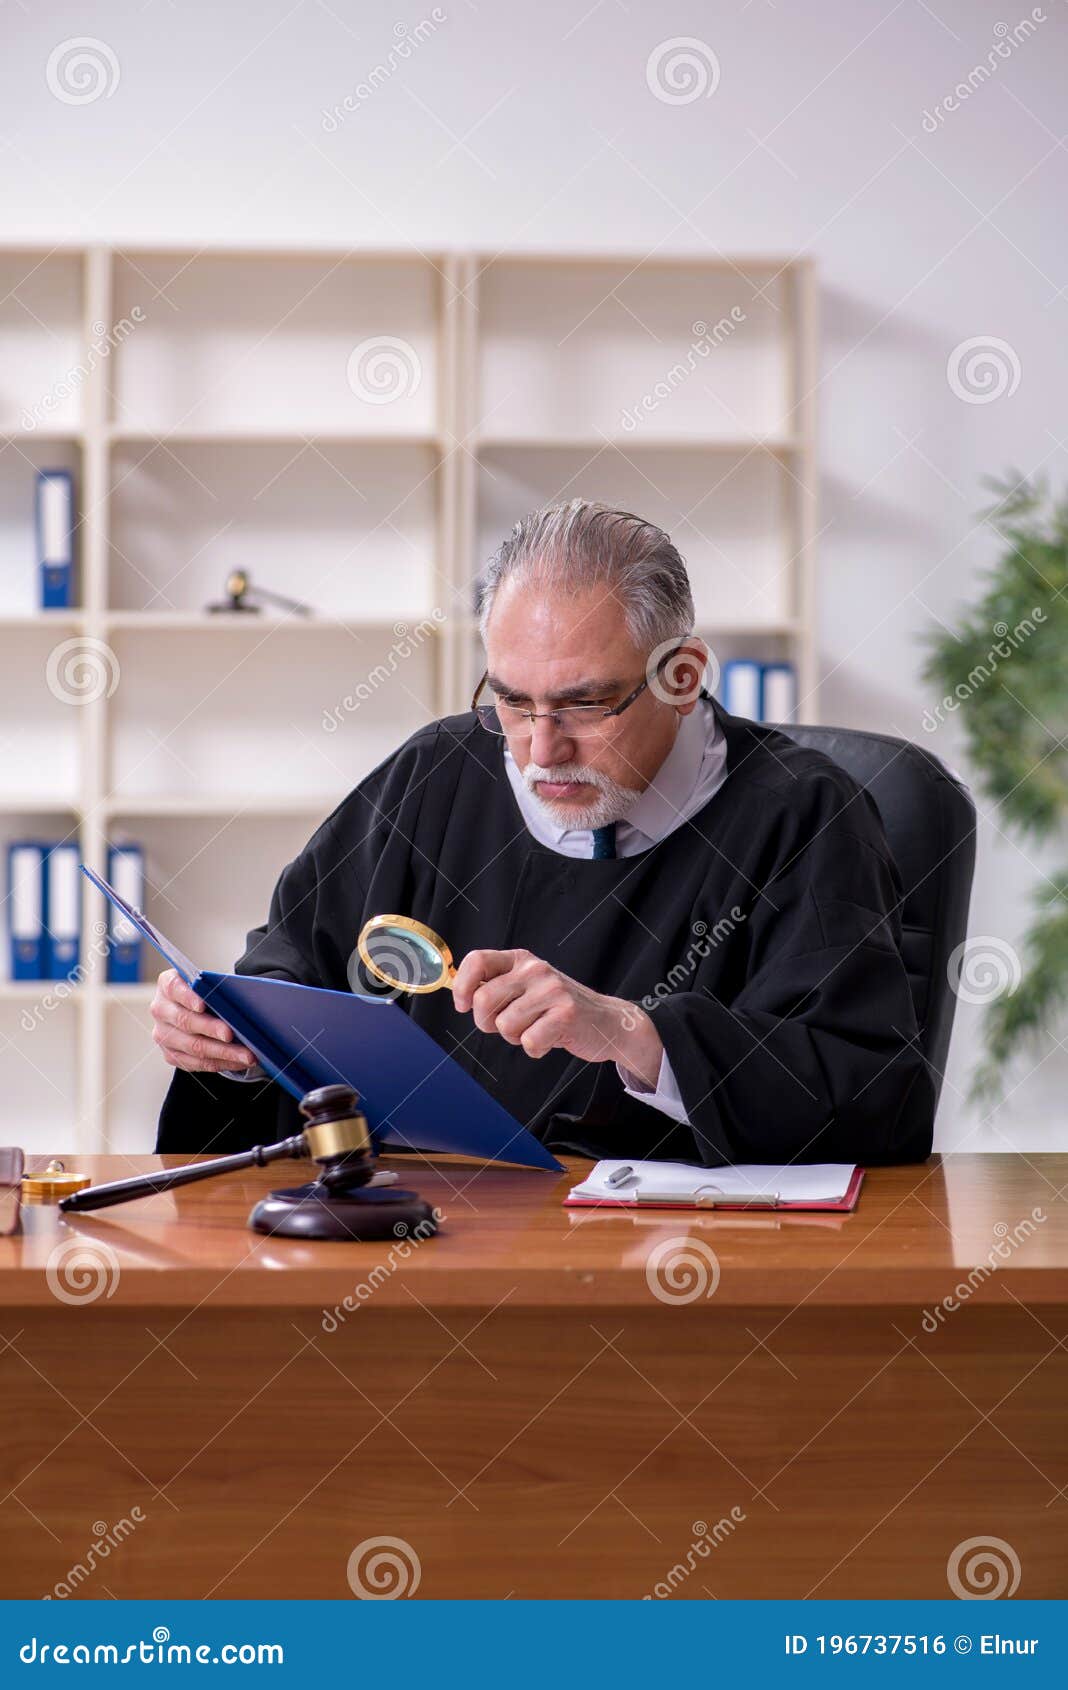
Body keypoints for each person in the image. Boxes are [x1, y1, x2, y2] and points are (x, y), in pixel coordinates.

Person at [153, 501, 935, 1165]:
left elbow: (870, 1096)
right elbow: (294, 963)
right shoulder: (437, 773)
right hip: (424, 1243)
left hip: (670, 1270)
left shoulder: (804, 816)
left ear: (683, 674)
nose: (540, 749)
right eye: (512, 701)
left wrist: (631, 1032)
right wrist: (234, 1040)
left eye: (585, 705)